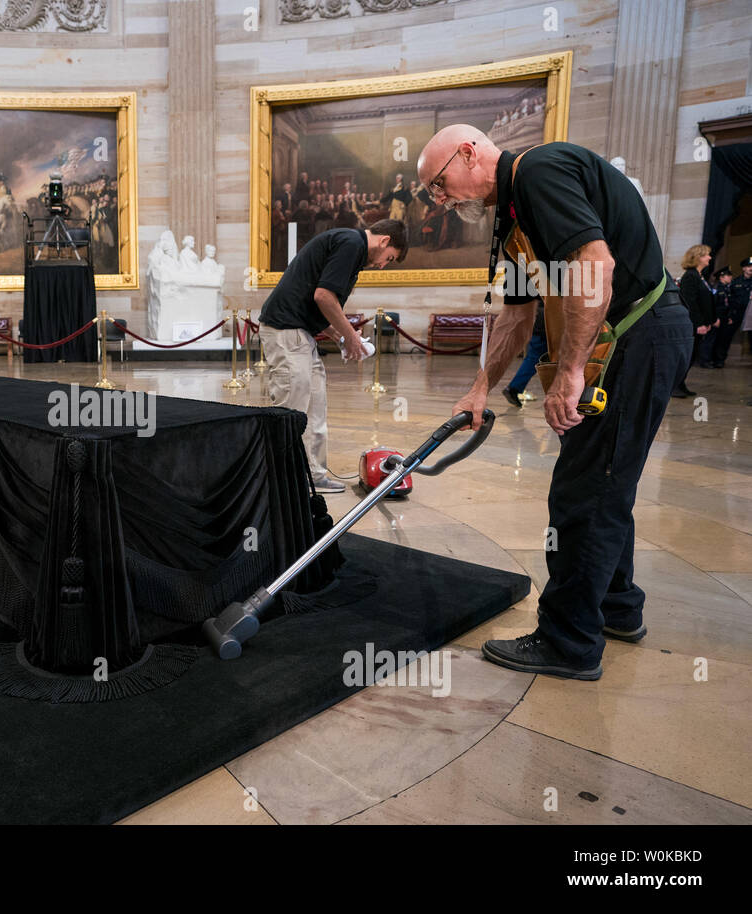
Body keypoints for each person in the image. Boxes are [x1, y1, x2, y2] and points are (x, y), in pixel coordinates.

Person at [417, 124, 690, 681]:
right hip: (627, 340)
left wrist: (569, 372)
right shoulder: (513, 218)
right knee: (603, 479)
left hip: (638, 335)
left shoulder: (539, 172)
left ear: (469, 154)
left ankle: (568, 641)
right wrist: (479, 388)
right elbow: (518, 318)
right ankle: (616, 608)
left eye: (440, 185)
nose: (442, 201)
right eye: (434, 195)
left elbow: (596, 264)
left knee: (583, 491)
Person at [258, 219, 407, 493]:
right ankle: (277, 483)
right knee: (291, 411)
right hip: (286, 331)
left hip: (300, 332)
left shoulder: (350, 246)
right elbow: (324, 296)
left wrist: (340, 336)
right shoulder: (351, 243)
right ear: (384, 241)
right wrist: (350, 336)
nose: (383, 265)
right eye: (389, 258)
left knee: (315, 406)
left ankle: (313, 477)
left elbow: (317, 305)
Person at [674, 244, 714, 390]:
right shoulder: (690, 277)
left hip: (700, 323)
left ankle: (681, 383)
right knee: (687, 357)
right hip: (693, 324)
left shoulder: (699, 276)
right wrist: (698, 324)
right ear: (698, 257)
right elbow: (690, 303)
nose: (709, 257)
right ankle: (677, 386)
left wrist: (709, 320)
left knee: (692, 356)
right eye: (706, 255)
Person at [501, 300, 547, 408]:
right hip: (545, 324)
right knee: (535, 358)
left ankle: (514, 387)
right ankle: (514, 388)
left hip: (538, 321)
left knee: (533, 358)